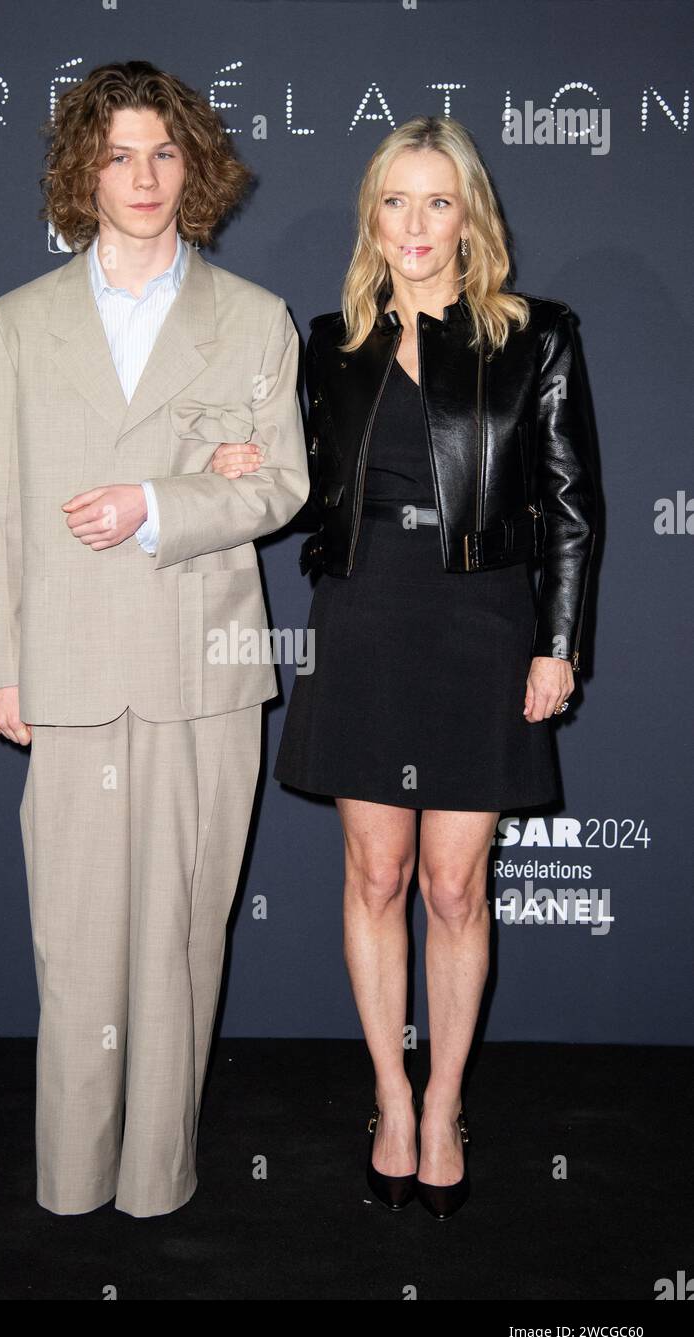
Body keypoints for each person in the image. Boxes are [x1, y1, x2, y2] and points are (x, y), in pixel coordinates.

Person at [0, 59, 308, 1218]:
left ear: (195, 168)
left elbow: (281, 488)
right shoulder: (18, 322)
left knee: (178, 948)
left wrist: (159, 502)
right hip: (62, 668)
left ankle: (157, 1181)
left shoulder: (255, 321)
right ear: (82, 169)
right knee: (74, 946)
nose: (143, 176)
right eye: (117, 153)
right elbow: (2, 506)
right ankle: (68, 1180)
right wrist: (0, 662)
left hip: (199, 674)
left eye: (164, 152)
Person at [267, 115, 598, 1220]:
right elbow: (299, 488)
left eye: (437, 201)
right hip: (363, 619)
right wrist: (241, 460)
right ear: (373, 215)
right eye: (394, 202)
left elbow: (566, 506)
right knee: (375, 878)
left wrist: (556, 644)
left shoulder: (535, 336)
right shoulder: (330, 340)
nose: (414, 225)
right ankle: (389, 1098)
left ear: (469, 215)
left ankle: (445, 1100)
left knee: (455, 886)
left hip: (481, 627)